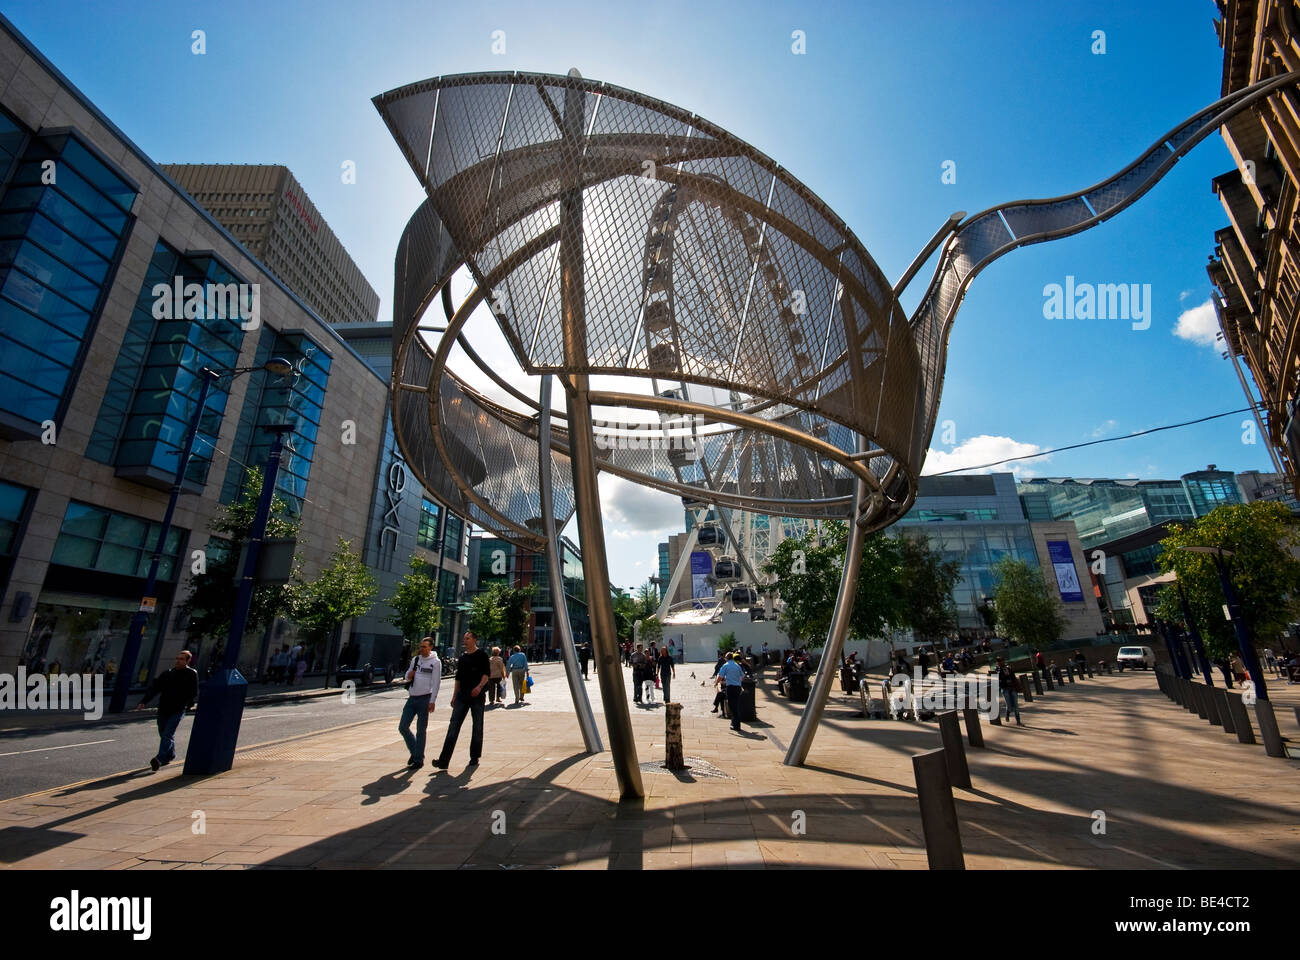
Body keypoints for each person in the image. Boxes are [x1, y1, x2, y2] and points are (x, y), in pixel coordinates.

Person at [432, 631, 491, 769]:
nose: (465, 640)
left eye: (468, 638)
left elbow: (486, 674)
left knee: (477, 726)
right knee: (453, 726)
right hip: (462, 696)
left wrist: (479, 687)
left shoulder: (482, 655)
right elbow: (458, 678)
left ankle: (474, 757)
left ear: (474, 639)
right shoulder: (463, 657)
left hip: (477, 696)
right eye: (464, 638)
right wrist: (454, 696)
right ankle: (444, 760)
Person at [134, 650, 200, 771]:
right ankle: (170, 754)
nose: (178, 661)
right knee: (163, 732)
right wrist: (143, 701)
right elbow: (155, 689)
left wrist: (188, 704)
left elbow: (193, 692)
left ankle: (159, 759)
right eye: (177, 658)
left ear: (188, 661)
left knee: (167, 734)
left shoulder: (191, 674)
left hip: (178, 709)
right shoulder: (167, 674)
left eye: (181, 659)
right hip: (164, 708)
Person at [398, 637, 441, 769]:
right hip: (412, 698)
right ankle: (415, 752)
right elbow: (407, 675)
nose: (421, 649)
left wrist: (432, 701)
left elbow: (436, 682)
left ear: (430, 648)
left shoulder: (435, 662)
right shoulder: (416, 659)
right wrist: (409, 674)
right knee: (403, 727)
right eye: (420, 646)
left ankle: (418, 760)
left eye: (424, 647)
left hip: (425, 698)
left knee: (421, 730)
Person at [718, 652, 745, 732]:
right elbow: (743, 677)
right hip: (738, 688)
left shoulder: (725, 665)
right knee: (735, 705)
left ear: (727, 658)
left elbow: (720, 676)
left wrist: (716, 683)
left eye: (725, 657)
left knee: (732, 706)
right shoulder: (737, 666)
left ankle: (737, 726)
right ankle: (734, 723)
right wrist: (736, 680)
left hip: (731, 688)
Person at [995, 655, 1022, 726]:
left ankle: (1018, 721)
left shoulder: (1008, 668)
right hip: (1005, 689)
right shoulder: (997, 669)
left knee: (1016, 705)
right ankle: (1007, 714)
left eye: (1002, 660)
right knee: (1009, 706)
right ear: (998, 663)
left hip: (1012, 688)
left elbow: (1013, 676)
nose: (1002, 662)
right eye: (1000, 661)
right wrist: (1000, 669)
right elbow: (998, 678)